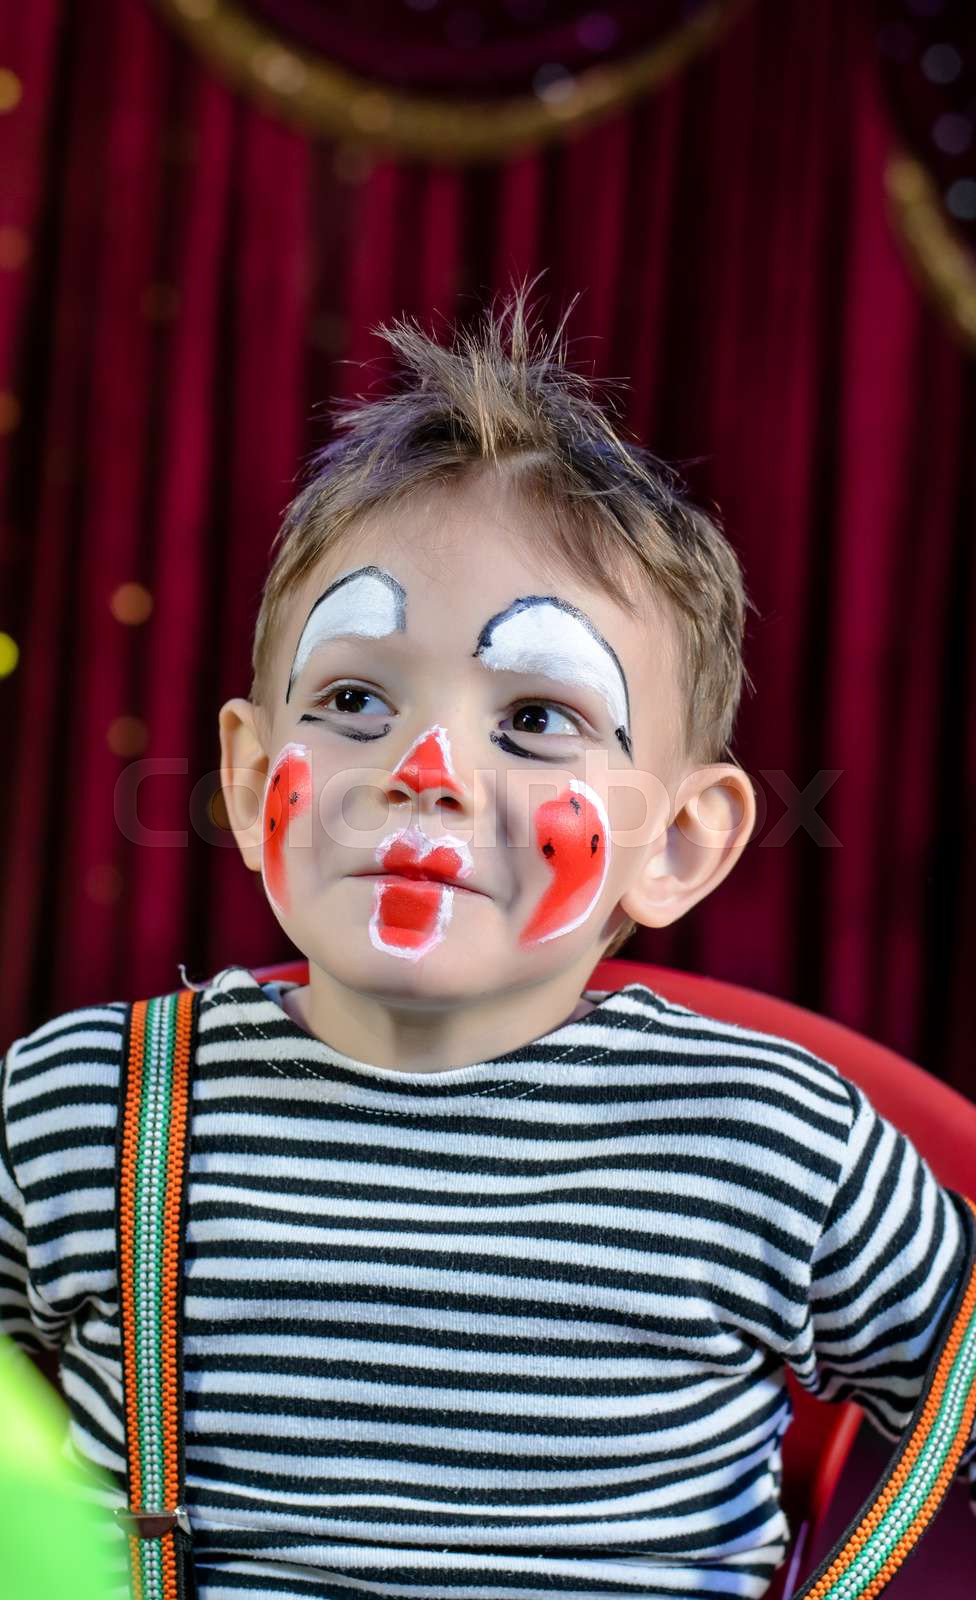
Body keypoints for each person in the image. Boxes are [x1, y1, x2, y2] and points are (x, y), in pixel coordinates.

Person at [1, 281, 973, 1599]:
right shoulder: (79, 1116)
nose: (427, 767)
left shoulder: (773, 1143)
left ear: (678, 844)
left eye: (534, 719)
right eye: (353, 697)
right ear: (245, 777)